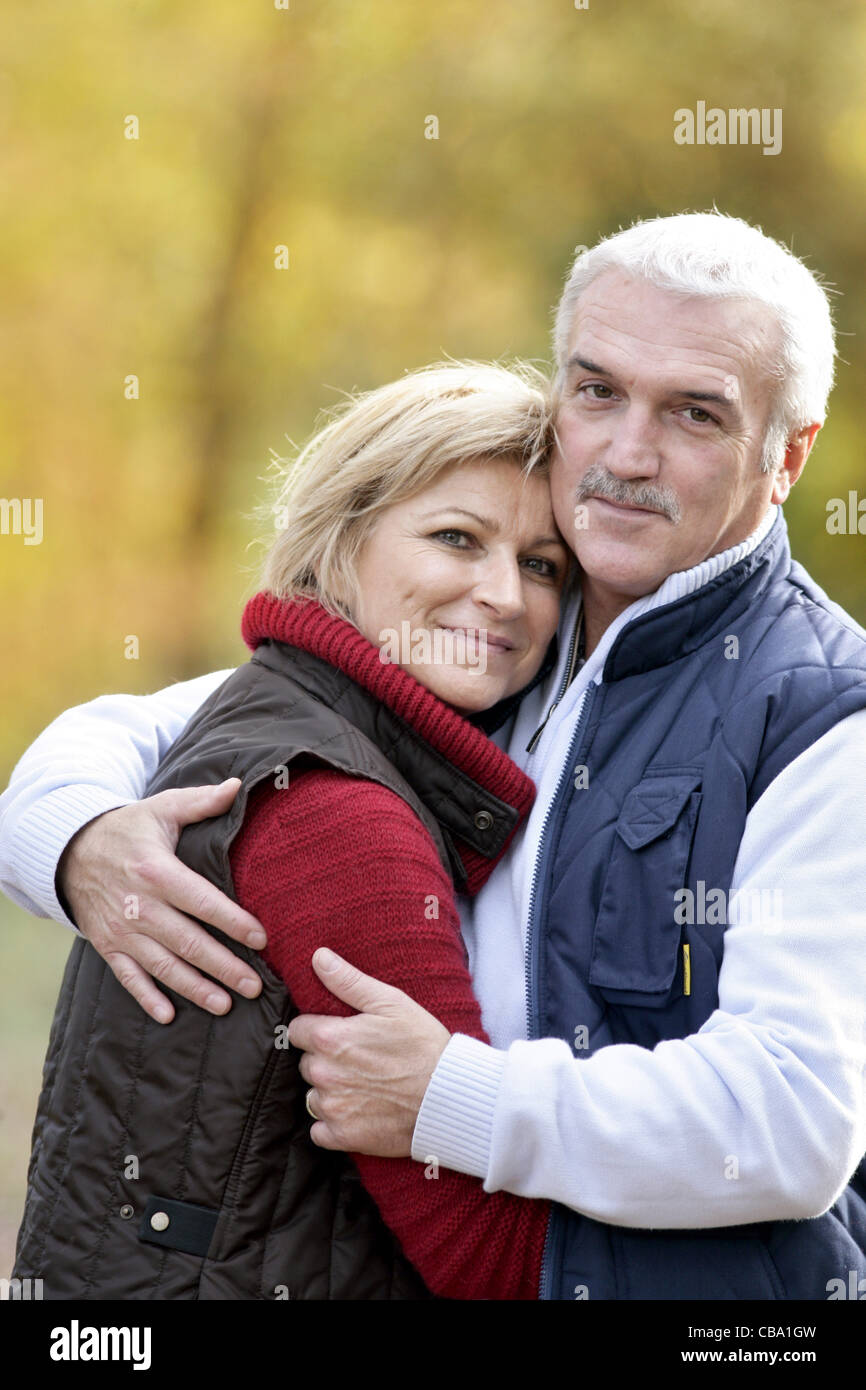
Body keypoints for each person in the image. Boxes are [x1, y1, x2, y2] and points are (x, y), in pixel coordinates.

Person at [3, 211, 866, 1301]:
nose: (624, 454)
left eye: (693, 413)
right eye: (595, 391)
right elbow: (160, 722)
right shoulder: (508, 649)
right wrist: (76, 842)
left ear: (786, 456)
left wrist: (460, 1097)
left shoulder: (822, 713)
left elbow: (791, 1116)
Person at [3, 360, 576, 1300]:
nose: (506, 598)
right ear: (341, 544)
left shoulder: (285, 713)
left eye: (541, 566)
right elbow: (487, 1254)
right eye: (456, 539)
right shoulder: (340, 814)